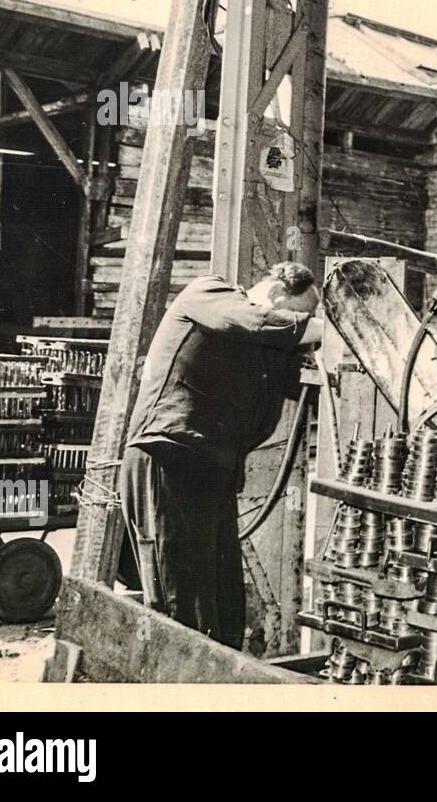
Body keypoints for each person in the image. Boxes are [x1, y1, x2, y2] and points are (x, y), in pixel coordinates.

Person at [121, 261, 323, 650]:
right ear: (277, 294)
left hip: (211, 471)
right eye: (301, 314)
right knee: (182, 604)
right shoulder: (210, 294)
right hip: (168, 456)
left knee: (224, 604)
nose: (302, 326)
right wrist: (323, 332)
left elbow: (303, 386)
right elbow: (252, 322)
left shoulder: (265, 347)